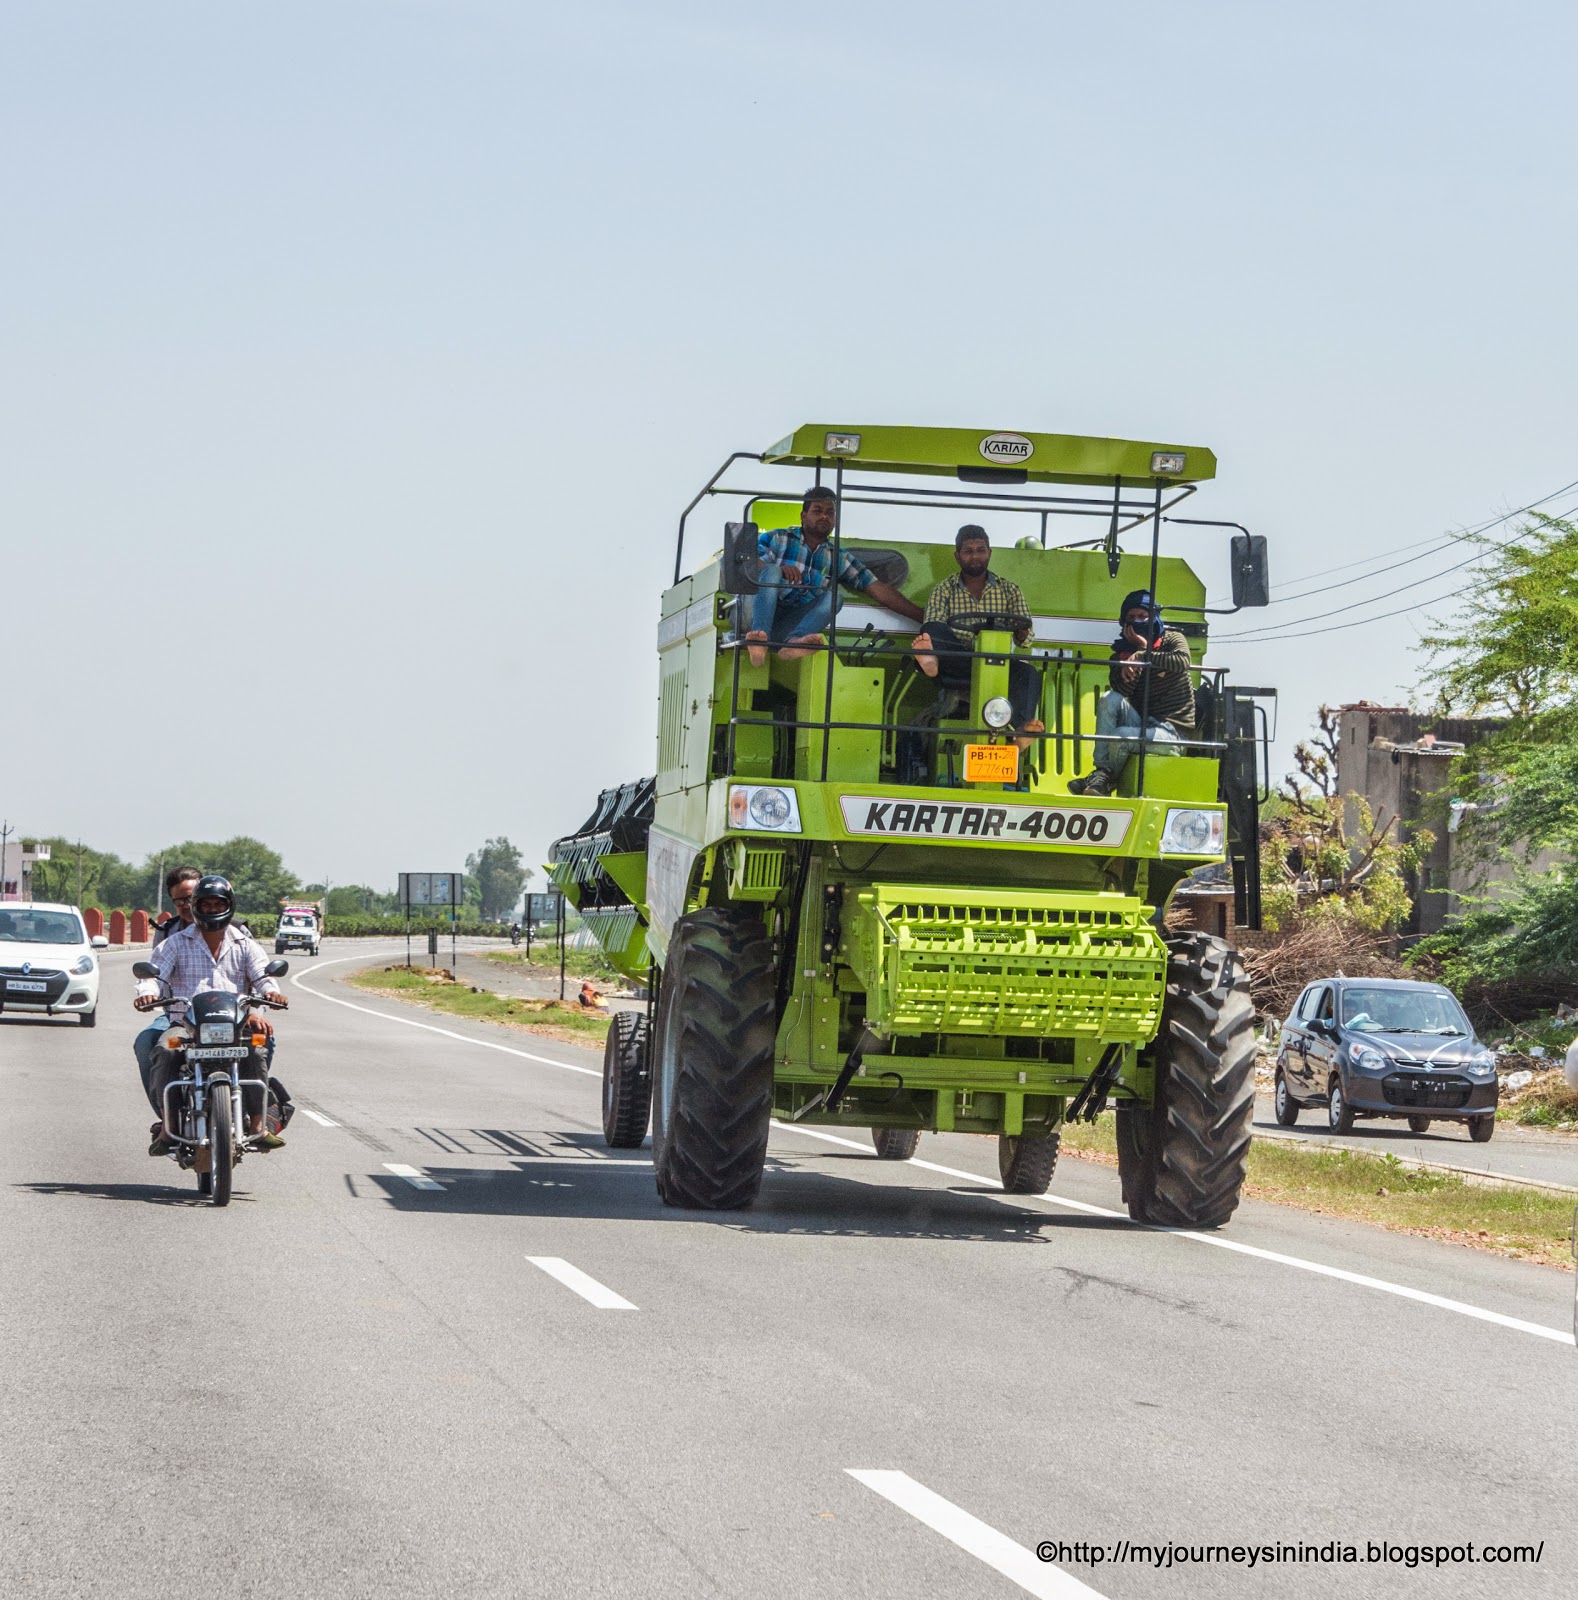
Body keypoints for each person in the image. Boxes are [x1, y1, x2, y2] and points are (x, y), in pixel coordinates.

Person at [134, 874, 288, 1156]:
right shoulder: (175, 943)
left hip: (235, 1026)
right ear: (196, 907)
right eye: (207, 905)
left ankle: (257, 1124)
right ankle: (168, 1126)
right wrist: (147, 992)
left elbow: (264, 978)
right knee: (164, 1049)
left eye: (219, 904)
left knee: (259, 1048)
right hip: (186, 1026)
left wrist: (268, 997)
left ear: (229, 905)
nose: (213, 910)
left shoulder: (245, 944)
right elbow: (153, 975)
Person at [743, 486, 923, 667]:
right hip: (759, 615)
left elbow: (877, 588)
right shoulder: (778, 537)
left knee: (834, 598)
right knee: (772, 571)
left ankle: (793, 643)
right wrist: (779, 568)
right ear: (803, 515)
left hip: (791, 623)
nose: (824, 516)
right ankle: (758, 642)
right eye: (818, 511)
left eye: (830, 512)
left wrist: (924, 617)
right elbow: (749, 561)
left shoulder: (838, 556)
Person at [912, 526, 1045, 751]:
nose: (975, 556)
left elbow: (1026, 639)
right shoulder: (944, 590)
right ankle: (931, 663)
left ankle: (1019, 732)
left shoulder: (1010, 590)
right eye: (968, 551)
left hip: (997, 663)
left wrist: (1021, 632)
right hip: (956, 662)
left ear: (989, 553)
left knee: (1028, 673)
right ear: (958, 556)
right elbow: (934, 626)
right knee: (933, 629)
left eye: (980, 550)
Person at [1068, 589, 1195, 797]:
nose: (1137, 622)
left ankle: (1105, 779)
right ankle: (1101, 772)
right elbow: (1123, 690)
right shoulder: (1120, 654)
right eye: (1131, 618)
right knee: (1108, 700)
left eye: (1143, 617)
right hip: (1143, 723)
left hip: (1173, 734)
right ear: (1123, 623)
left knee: (1121, 736)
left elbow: (1183, 662)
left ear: (1154, 618)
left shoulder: (1172, 639)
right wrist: (1135, 665)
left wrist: (1144, 654)